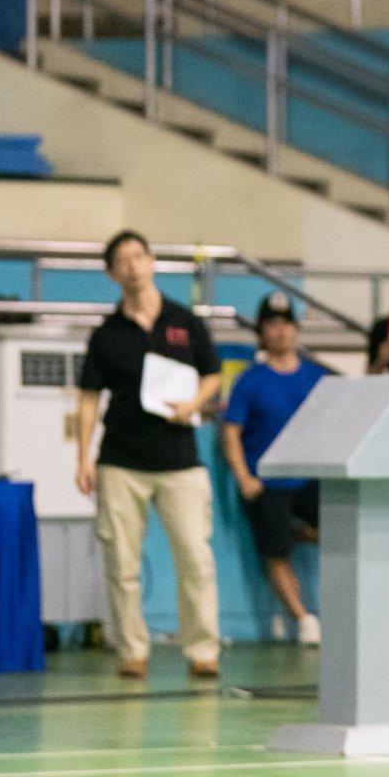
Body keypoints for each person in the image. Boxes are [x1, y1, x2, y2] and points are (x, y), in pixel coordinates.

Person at [76, 230, 225, 681]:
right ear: (111, 273)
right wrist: (82, 458)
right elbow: (88, 398)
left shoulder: (185, 321)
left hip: (180, 459)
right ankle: (132, 650)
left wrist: (194, 404)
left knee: (195, 558)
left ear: (152, 261)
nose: (133, 266)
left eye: (139, 256)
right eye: (123, 261)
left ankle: (202, 650)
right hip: (121, 459)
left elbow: (213, 375)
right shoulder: (106, 335)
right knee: (122, 562)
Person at [221, 292, 327, 647]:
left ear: (296, 330)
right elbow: (231, 433)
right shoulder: (249, 381)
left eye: (286, 324)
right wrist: (244, 479)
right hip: (268, 484)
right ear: (262, 332)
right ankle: (304, 618)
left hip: (312, 480)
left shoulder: (316, 378)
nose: (280, 332)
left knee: (345, 531)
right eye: (272, 325)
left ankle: (297, 532)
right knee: (275, 551)